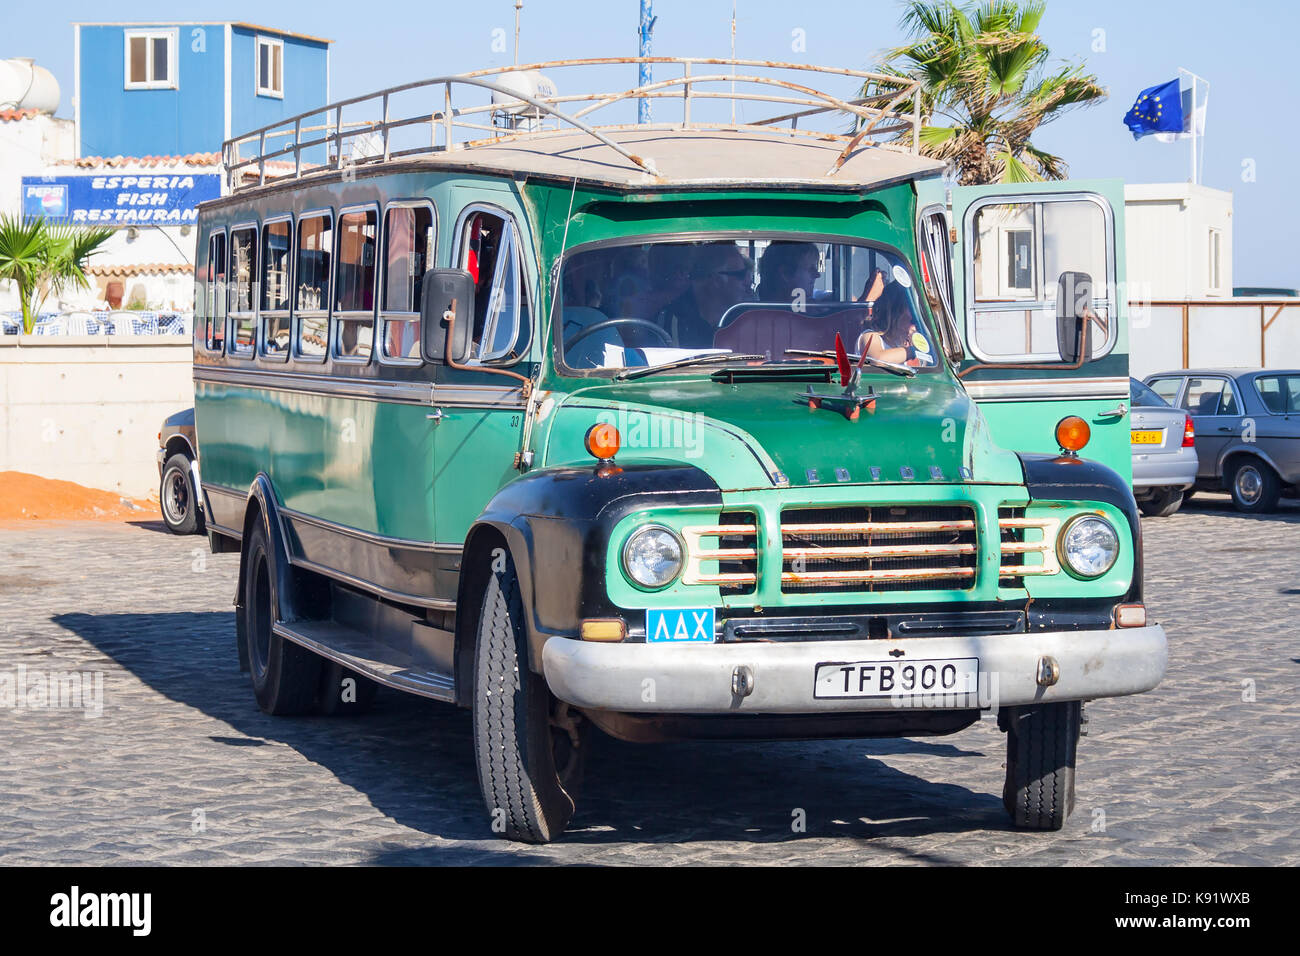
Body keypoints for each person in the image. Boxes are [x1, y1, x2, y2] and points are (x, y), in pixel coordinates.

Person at [655, 242, 754, 347]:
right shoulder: (675, 319)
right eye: (741, 275)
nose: (748, 281)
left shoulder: (748, 316)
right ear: (716, 280)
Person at [856, 281, 931, 366]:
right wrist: (914, 351)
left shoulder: (902, 342)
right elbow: (878, 360)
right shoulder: (870, 336)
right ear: (895, 311)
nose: (918, 316)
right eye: (913, 310)